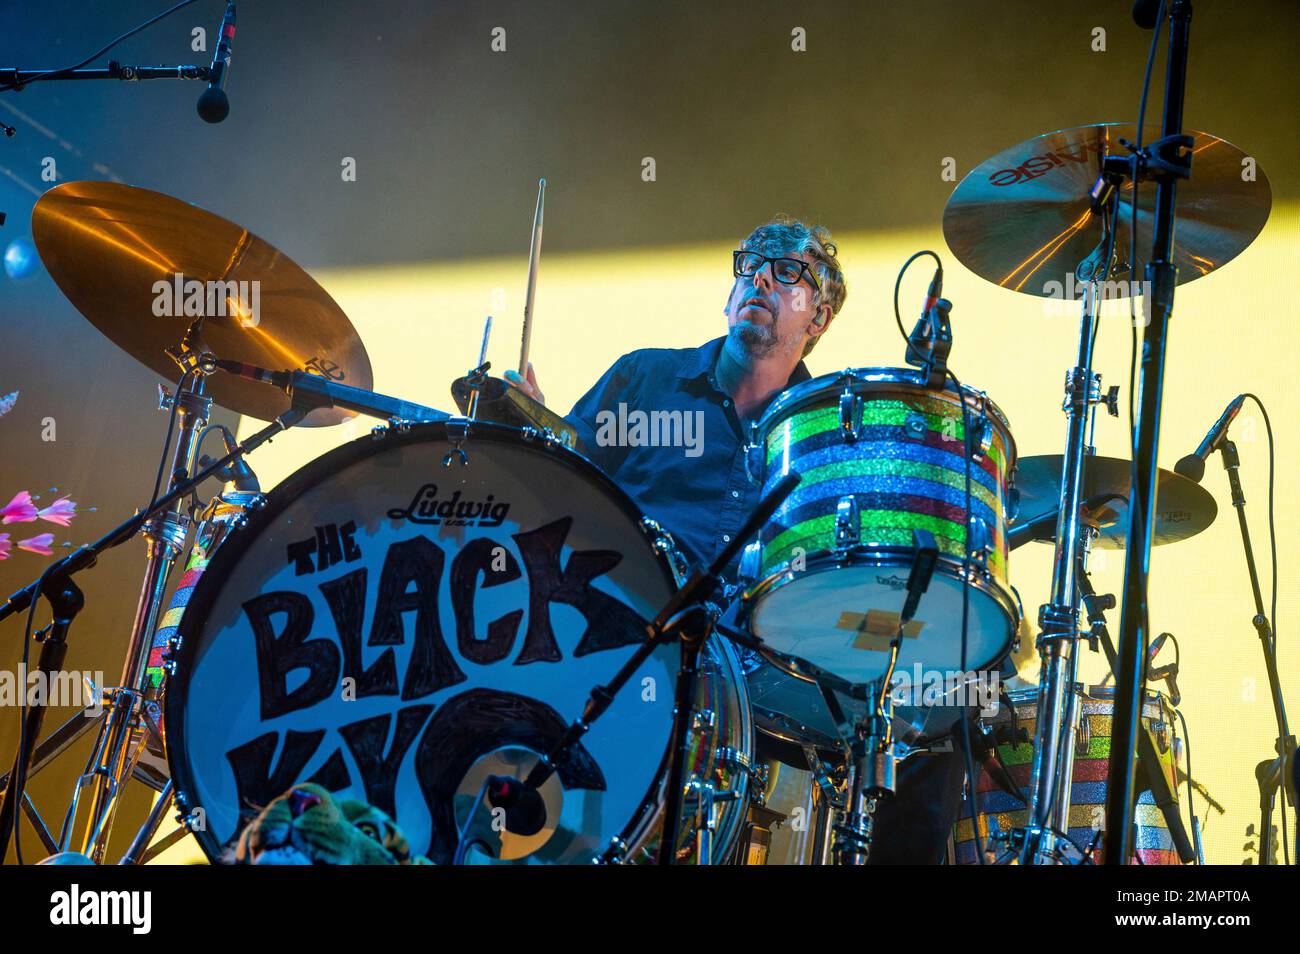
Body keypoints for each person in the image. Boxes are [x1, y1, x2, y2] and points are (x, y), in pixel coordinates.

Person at [505, 215, 964, 864]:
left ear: (820, 318)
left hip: (756, 667)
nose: (761, 278)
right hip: (621, 638)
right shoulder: (644, 380)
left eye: (789, 272)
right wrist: (530, 435)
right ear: (728, 297)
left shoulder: (834, 438)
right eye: (749, 265)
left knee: (936, 710)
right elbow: (563, 491)